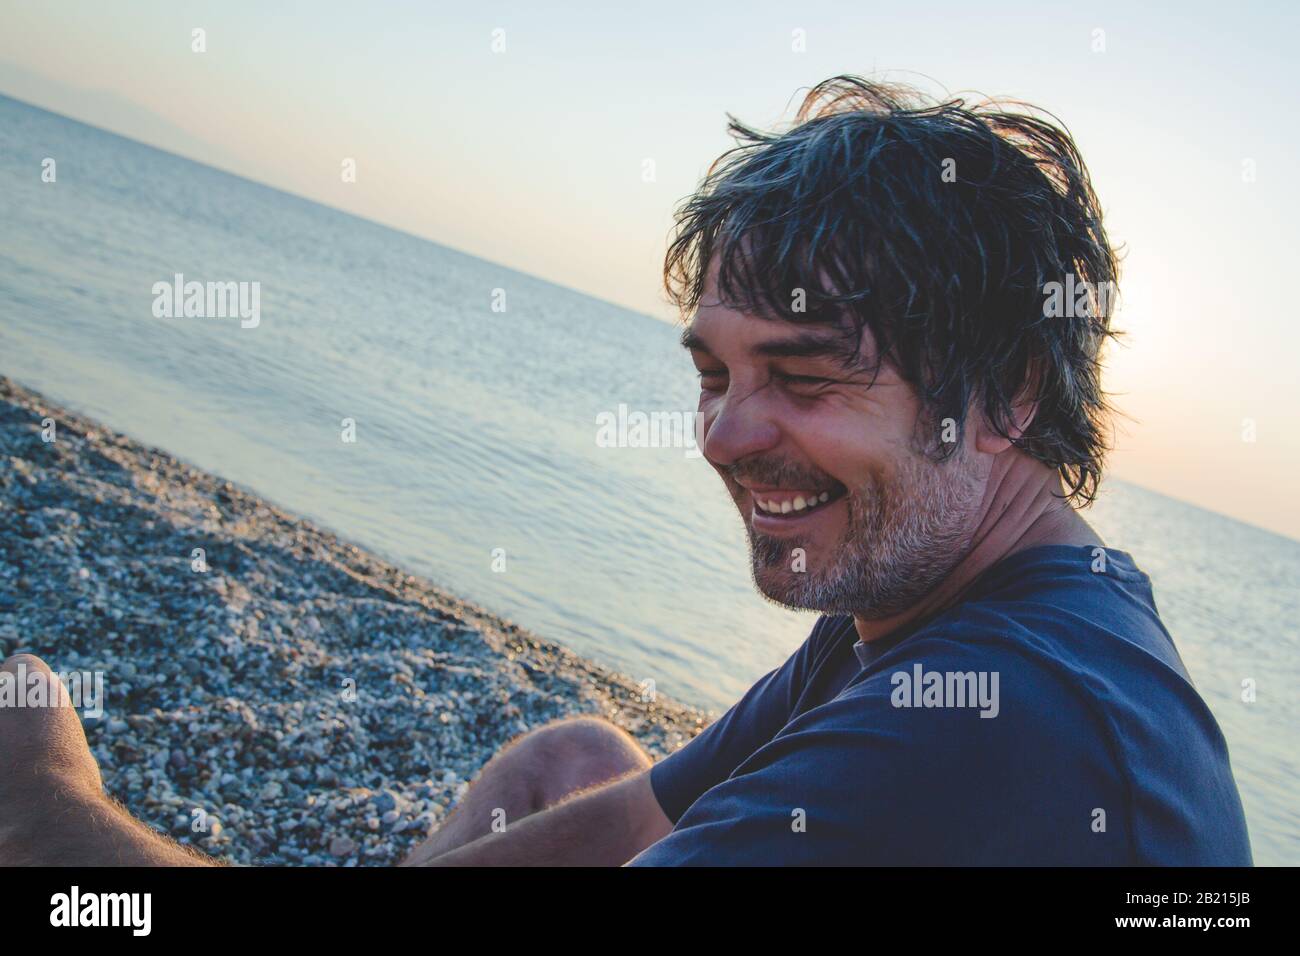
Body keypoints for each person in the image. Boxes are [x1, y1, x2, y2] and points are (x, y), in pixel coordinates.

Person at [0, 75, 1251, 866]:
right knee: (571, 758)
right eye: (715, 372)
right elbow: (640, 812)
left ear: (1009, 390)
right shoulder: (948, 603)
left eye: (805, 376)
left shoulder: (999, 722)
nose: (723, 435)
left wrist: (44, 793)